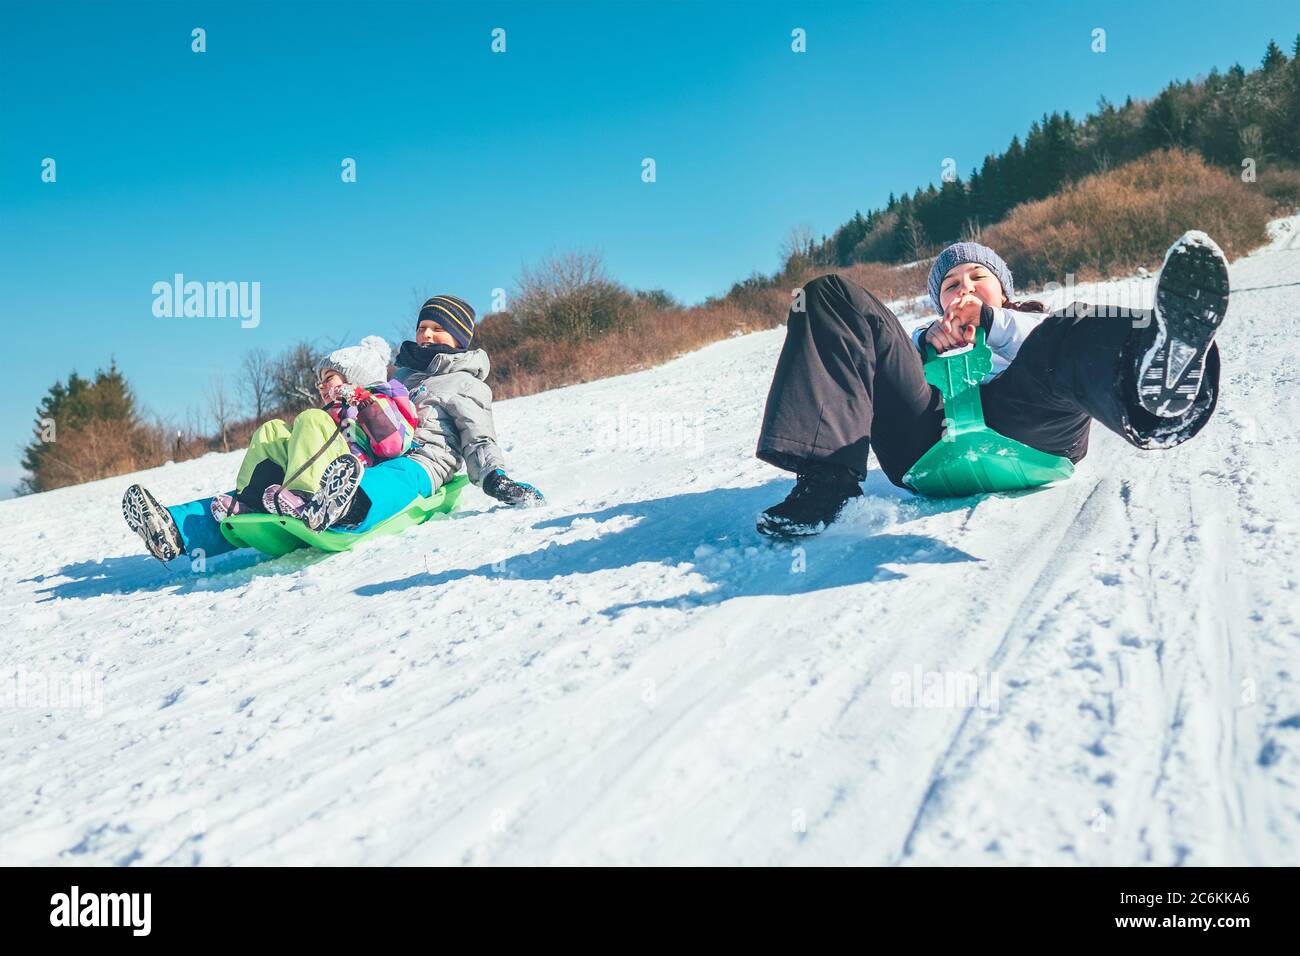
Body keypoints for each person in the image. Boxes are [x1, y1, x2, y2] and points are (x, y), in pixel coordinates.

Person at [753, 231, 1229, 538]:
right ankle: (827, 484)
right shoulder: (926, 337)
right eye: (950, 285)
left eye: (977, 278)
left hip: (1030, 429)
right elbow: (884, 382)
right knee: (832, 294)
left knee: (1077, 323)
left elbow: (1040, 344)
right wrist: (923, 350)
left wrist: (993, 322)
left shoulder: (1028, 322)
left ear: (1003, 290)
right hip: (926, 447)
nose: (964, 288)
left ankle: (1158, 394)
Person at [393, 294, 543, 507]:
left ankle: (353, 504)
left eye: (437, 329)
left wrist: (495, 479)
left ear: (458, 338)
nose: (426, 334)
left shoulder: (464, 383)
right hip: (381, 457)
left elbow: (478, 438)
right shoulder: (400, 377)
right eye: (421, 328)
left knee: (386, 481)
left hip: (424, 462)